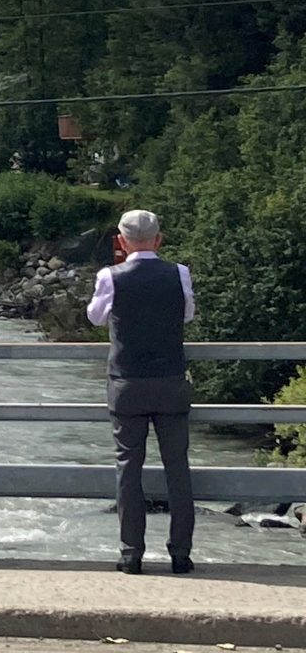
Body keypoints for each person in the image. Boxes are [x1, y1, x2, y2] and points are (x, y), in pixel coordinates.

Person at [87, 209, 197, 575]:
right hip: (170, 381)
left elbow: (95, 317)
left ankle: (131, 555)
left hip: (126, 384)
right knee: (177, 469)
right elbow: (187, 314)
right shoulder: (178, 273)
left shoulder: (110, 276)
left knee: (128, 470)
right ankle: (180, 555)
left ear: (120, 241)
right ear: (159, 239)